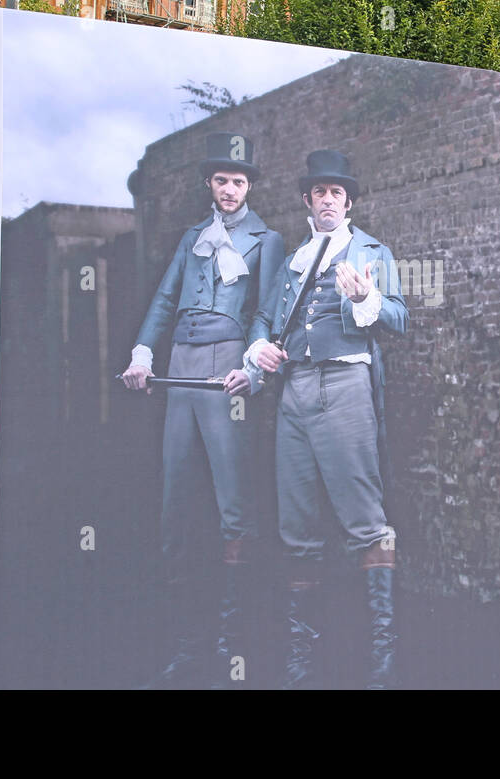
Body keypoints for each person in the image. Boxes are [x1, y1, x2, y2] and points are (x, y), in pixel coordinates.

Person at [121, 131, 284, 687]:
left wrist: (254, 366)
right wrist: (143, 351)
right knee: (176, 496)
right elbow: (165, 300)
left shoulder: (267, 239)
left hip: (225, 368)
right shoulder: (193, 236)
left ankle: (232, 637)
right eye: (222, 180)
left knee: (233, 500)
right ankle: (186, 640)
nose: (231, 190)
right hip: (180, 365)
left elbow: (267, 310)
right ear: (209, 185)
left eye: (239, 181)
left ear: (249, 186)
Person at [250, 149, 408, 688]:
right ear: (307, 199)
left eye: (337, 192)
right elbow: (267, 319)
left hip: (345, 385)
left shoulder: (372, 251)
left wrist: (368, 297)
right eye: (319, 192)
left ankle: (382, 656)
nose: (328, 200)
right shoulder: (295, 256)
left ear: (349, 201)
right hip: (293, 390)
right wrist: (257, 352)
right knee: (295, 522)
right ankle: (303, 652)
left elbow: (400, 318)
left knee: (365, 519)